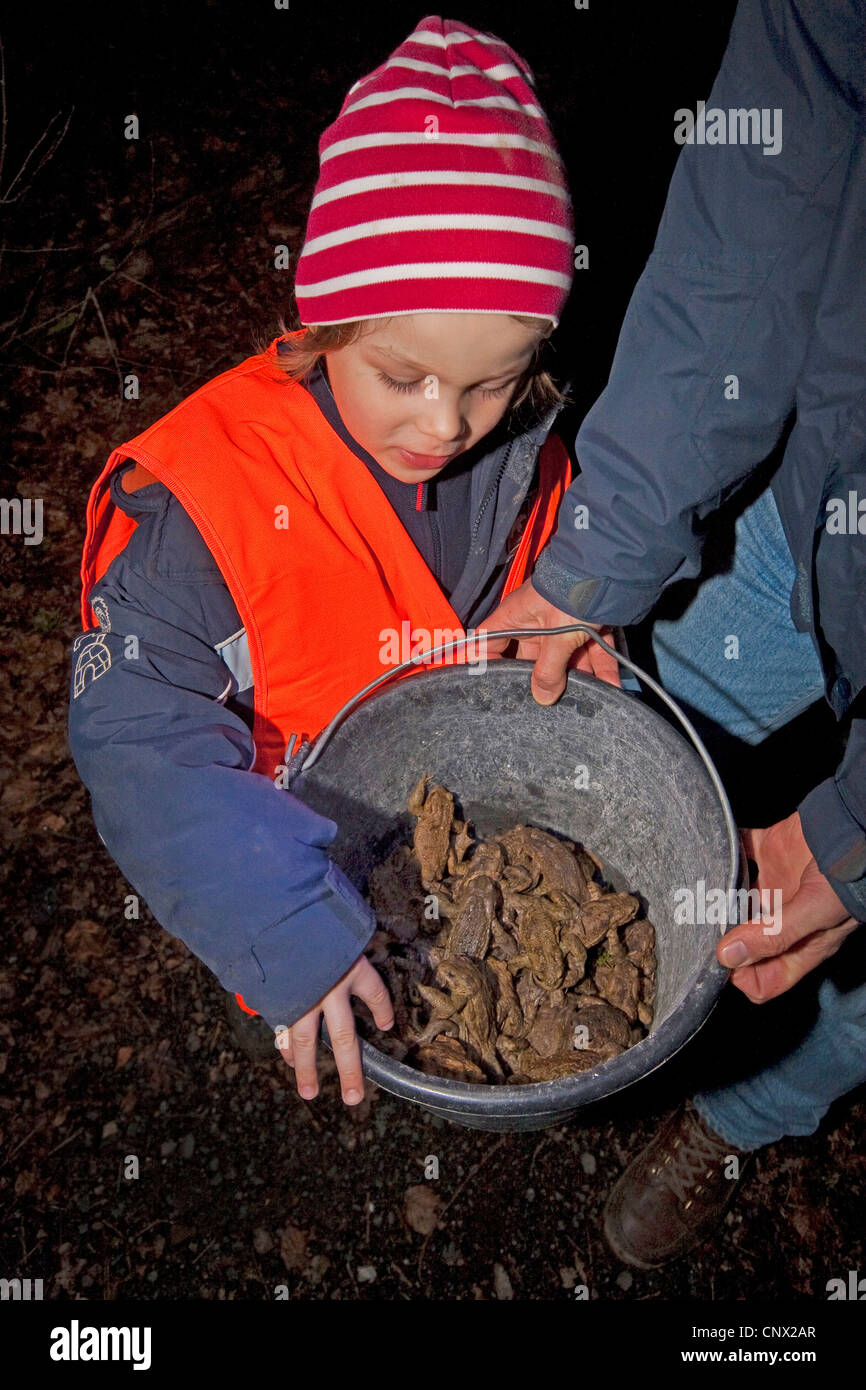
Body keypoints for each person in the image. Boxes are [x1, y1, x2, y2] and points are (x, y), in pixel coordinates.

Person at [69, 15, 619, 1108]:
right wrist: (267, 919)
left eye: (495, 379)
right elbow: (137, 736)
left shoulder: (526, 446)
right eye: (401, 373)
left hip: (442, 815)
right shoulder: (208, 498)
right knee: (315, 1006)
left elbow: (552, 561)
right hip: (277, 858)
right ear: (324, 324)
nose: (446, 423)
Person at [479, 0, 866, 1268]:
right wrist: (609, 542)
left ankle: (737, 1113)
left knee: (840, 975)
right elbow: (770, 165)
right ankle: (645, 998)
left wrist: (858, 834)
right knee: (656, 752)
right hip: (813, 483)